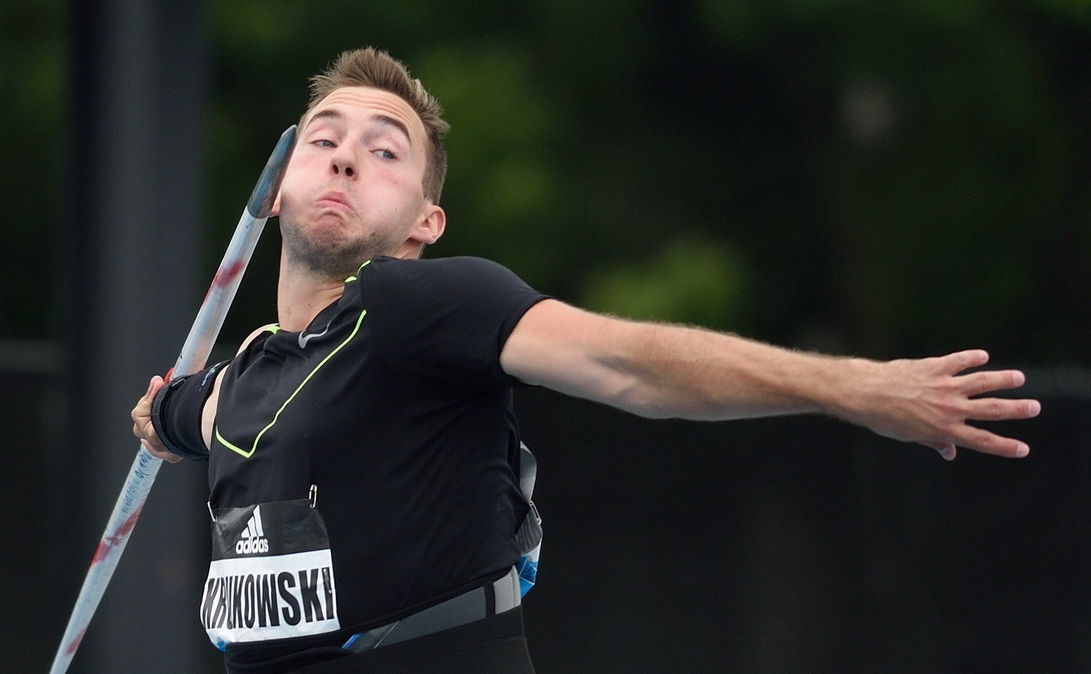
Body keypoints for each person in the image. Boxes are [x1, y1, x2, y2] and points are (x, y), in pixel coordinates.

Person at [131, 47, 1040, 673]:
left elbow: (630, 365)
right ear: (277, 187)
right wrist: (163, 419)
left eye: (384, 152)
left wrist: (859, 388)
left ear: (424, 223)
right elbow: (188, 412)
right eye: (324, 139)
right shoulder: (245, 379)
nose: (343, 160)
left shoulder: (418, 303)